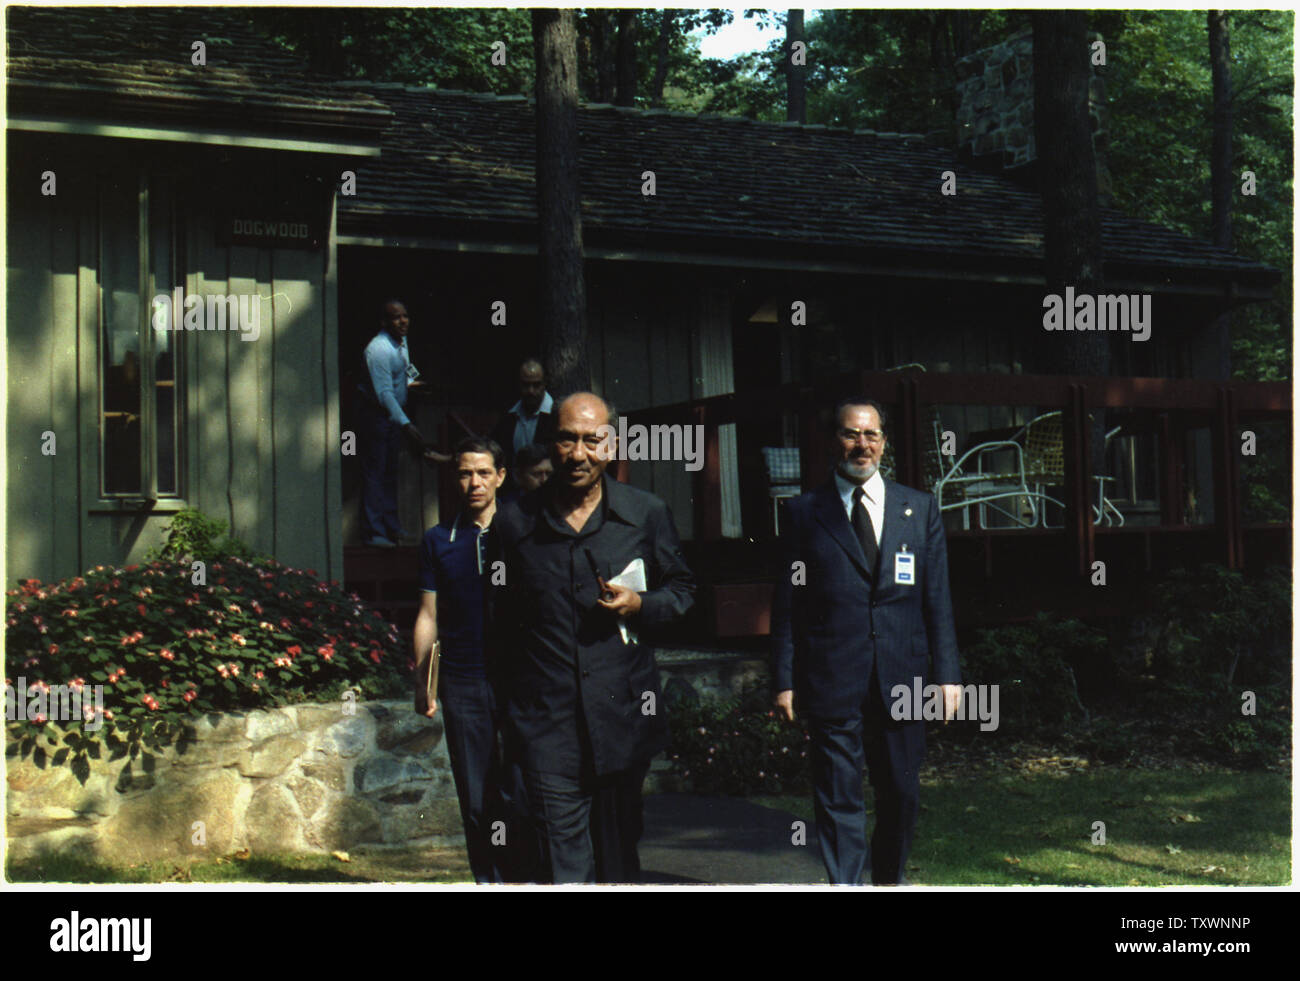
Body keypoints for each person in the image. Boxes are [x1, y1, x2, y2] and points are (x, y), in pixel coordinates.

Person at [491, 392, 695, 883]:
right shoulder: (514, 522)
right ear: (550, 443)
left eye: (592, 440)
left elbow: (684, 591)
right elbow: (497, 623)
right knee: (564, 861)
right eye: (566, 439)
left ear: (613, 445)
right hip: (546, 725)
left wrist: (641, 605)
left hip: (622, 721)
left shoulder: (645, 513)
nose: (578, 453)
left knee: (619, 857)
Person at [771, 397, 963, 886]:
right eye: (851, 434)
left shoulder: (918, 509)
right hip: (832, 675)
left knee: (901, 792)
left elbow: (937, 600)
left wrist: (948, 677)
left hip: (904, 676)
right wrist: (784, 679)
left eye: (871, 434)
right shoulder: (802, 513)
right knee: (838, 795)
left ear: (884, 442)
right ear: (833, 441)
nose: (862, 444)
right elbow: (788, 604)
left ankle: (888, 881)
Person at [413, 436, 531, 883]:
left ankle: (528, 877)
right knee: (477, 795)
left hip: (520, 680)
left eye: (484, 473)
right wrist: (422, 683)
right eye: (465, 473)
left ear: (501, 477)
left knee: (522, 790)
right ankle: (490, 879)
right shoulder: (438, 540)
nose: (474, 482)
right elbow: (428, 615)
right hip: (463, 682)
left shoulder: (522, 534)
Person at [356, 298, 447, 548]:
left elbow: (402, 374)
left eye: (405, 316)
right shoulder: (378, 350)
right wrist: (407, 424)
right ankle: (374, 533)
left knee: (389, 473)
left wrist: (412, 385)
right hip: (376, 416)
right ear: (384, 322)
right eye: (396, 317)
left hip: (393, 416)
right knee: (375, 473)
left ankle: (391, 528)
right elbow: (384, 393)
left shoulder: (401, 342)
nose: (402, 321)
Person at [490, 358, 556, 480]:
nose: (531, 391)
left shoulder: (557, 415)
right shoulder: (509, 416)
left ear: (545, 383)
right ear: (519, 384)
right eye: (526, 385)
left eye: (536, 385)